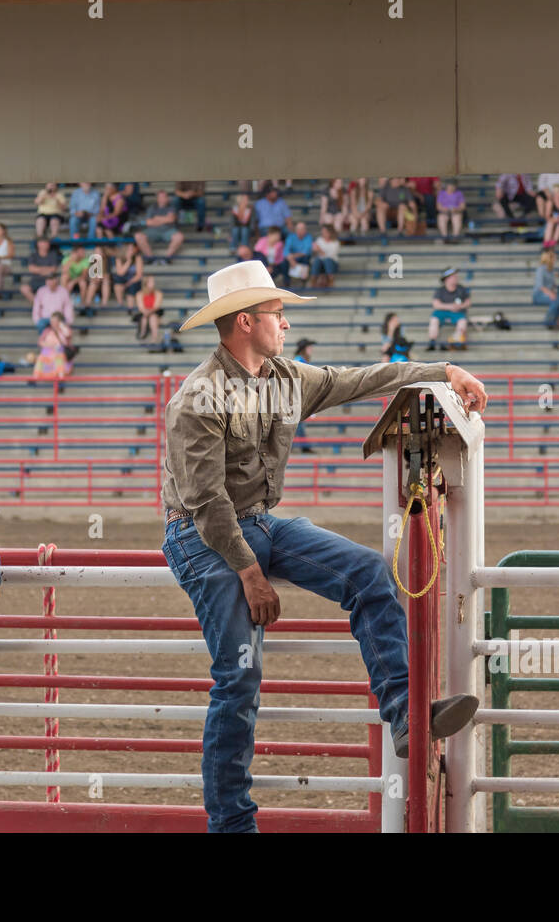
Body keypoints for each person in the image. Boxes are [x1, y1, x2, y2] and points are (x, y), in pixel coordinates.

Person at [161, 259, 488, 833]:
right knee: (238, 675)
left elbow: (363, 379)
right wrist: (250, 573)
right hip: (201, 535)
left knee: (366, 571)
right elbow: (207, 501)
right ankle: (231, 825)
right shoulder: (199, 397)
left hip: (259, 522)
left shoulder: (288, 380)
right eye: (277, 314)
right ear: (245, 322)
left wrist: (445, 370)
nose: (285, 324)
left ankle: (405, 715)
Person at [133, 189, 185, 265]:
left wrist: (156, 218)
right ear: (157, 198)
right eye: (160, 197)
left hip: (168, 230)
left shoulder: (172, 207)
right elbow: (148, 222)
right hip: (153, 231)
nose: (162, 199)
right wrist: (165, 219)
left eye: (164, 197)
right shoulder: (152, 208)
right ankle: (151, 259)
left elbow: (171, 219)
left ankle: (167, 259)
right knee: (138, 236)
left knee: (179, 236)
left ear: (167, 198)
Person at [427, 268, 470, 351]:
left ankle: (453, 342)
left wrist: (459, 306)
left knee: (462, 322)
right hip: (442, 312)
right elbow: (436, 304)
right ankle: (432, 341)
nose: (456, 278)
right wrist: (451, 306)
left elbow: (468, 303)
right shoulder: (440, 290)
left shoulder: (461, 289)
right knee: (434, 319)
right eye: (453, 276)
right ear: (447, 279)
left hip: (457, 313)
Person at [20, 237, 62, 304]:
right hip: (35, 280)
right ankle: (39, 305)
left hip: (49, 280)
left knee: (54, 284)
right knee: (24, 288)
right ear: (38, 244)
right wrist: (46, 270)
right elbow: (31, 269)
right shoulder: (33, 255)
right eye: (44, 242)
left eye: (47, 243)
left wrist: (38, 270)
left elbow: (53, 269)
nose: (46, 244)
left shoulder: (53, 254)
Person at [531, 247, 559, 329]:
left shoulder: (552, 270)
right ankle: (548, 321)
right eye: (553, 257)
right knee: (556, 300)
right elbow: (540, 286)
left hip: (547, 293)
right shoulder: (541, 269)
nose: (555, 258)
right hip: (538, 294)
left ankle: (556, 321)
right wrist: (551, 294)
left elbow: (552, 286)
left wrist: (553, 291)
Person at [135, 276, 164, 343]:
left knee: (152, 317)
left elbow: (156, 306)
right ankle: (143, 334)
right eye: (152, 281)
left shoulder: (158, 293)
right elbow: (141, 307)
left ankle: (154, 338)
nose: (154, 283)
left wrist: (148, 312)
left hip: (155, 313)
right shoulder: (139, 294)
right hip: (144, 314)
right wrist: (146, 312)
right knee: (145, 318)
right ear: (146, 283)